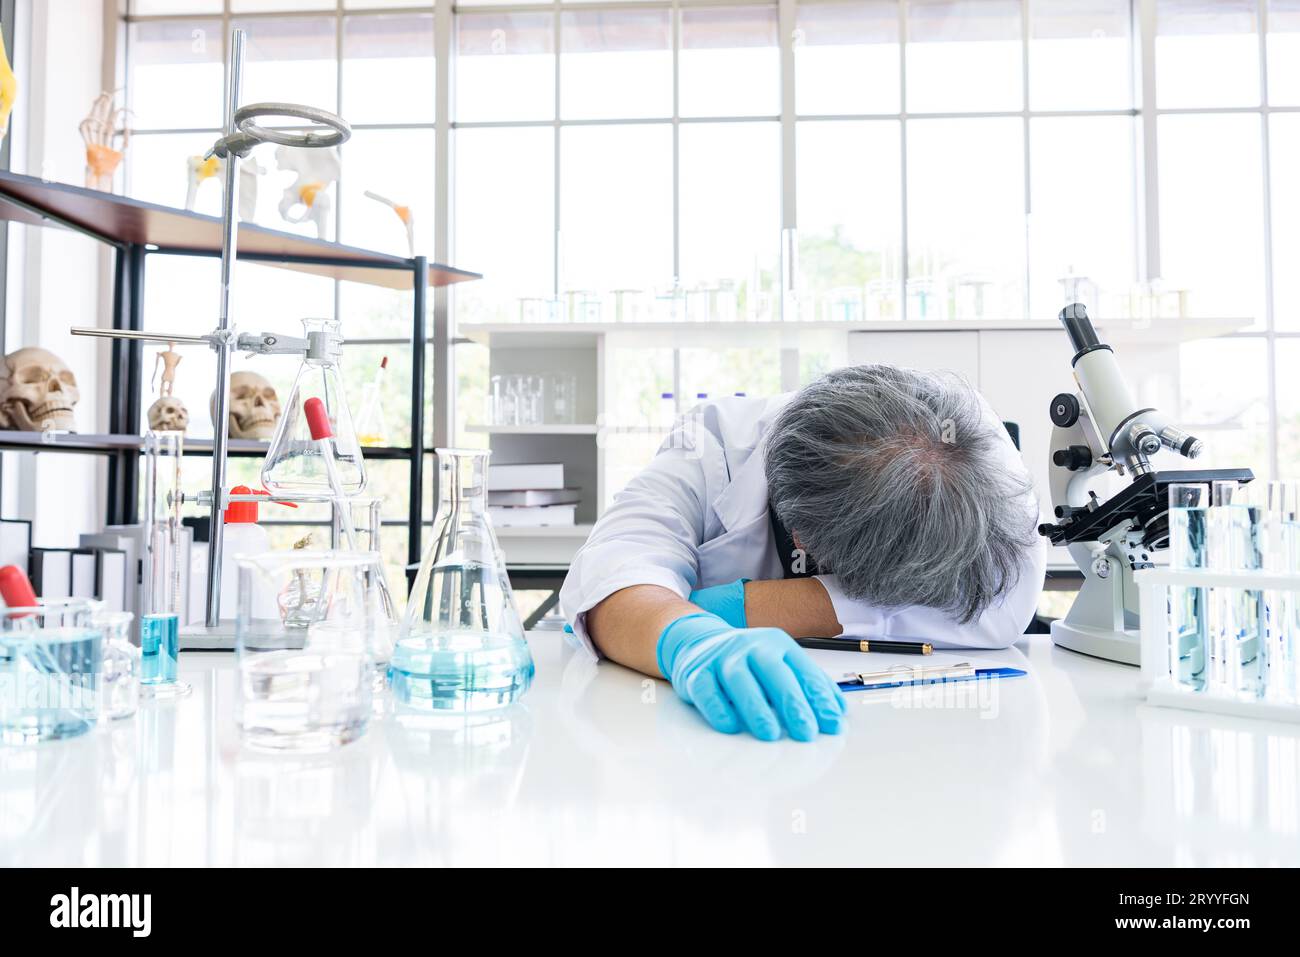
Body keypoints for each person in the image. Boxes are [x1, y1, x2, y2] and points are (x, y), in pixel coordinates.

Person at [559, 364, 1046, 742]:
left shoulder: (974, 462)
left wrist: (737, 608)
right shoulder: (712, 447)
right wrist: (689, 640)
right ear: (802, 540)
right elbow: (613, 571)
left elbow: (1004, 606)